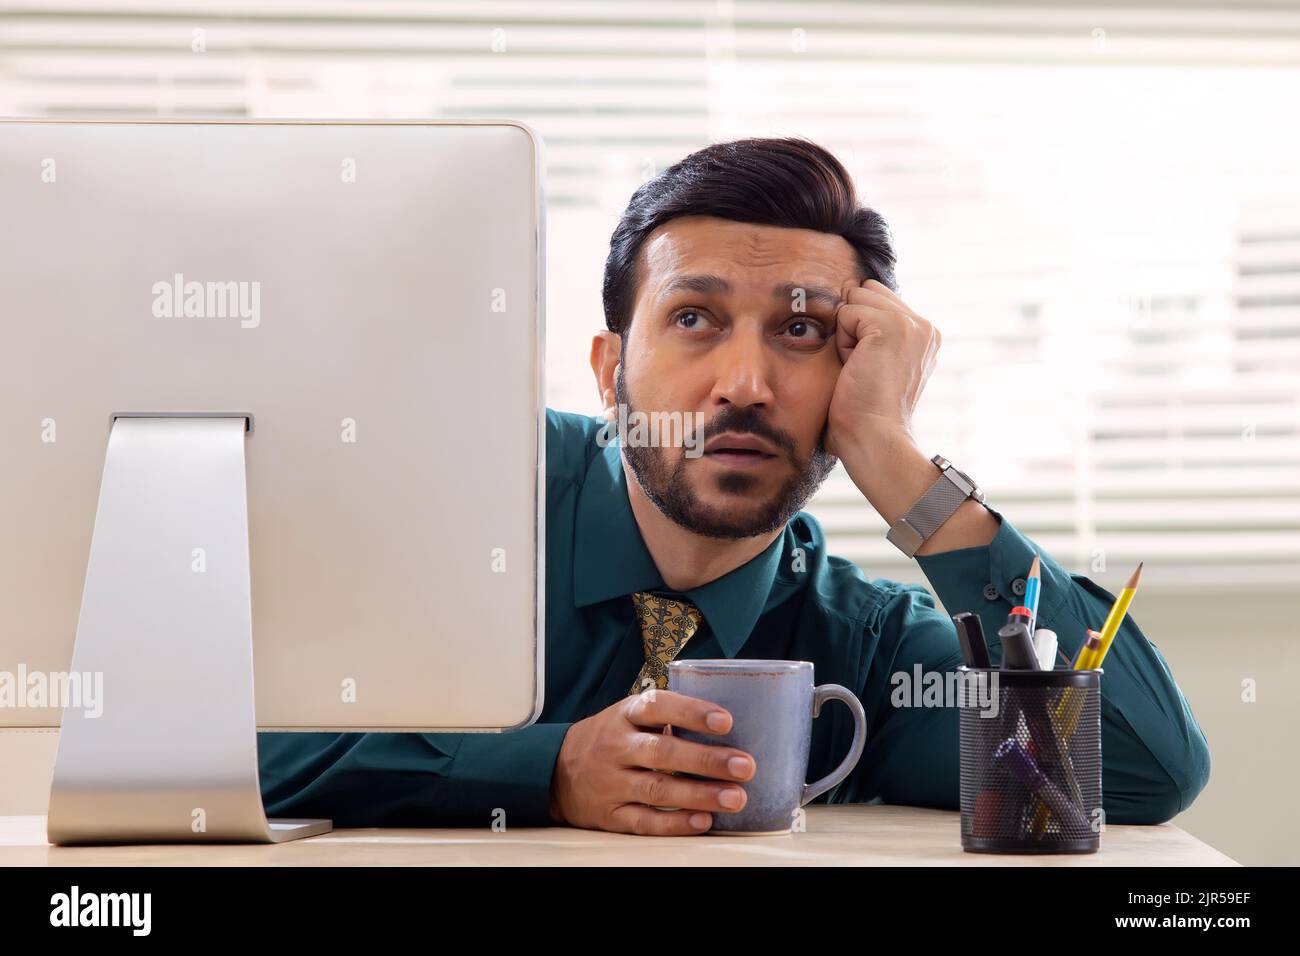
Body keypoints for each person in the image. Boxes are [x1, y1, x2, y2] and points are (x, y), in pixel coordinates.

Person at [258, 138, 1210, 835]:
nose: (746, 385)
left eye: (801, 332)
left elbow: (1131, 766)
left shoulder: (862, 649)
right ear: (608, 369)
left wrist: (894, 458)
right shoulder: (454, 487)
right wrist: (544, 769)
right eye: (696, 318)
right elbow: (207, 739)